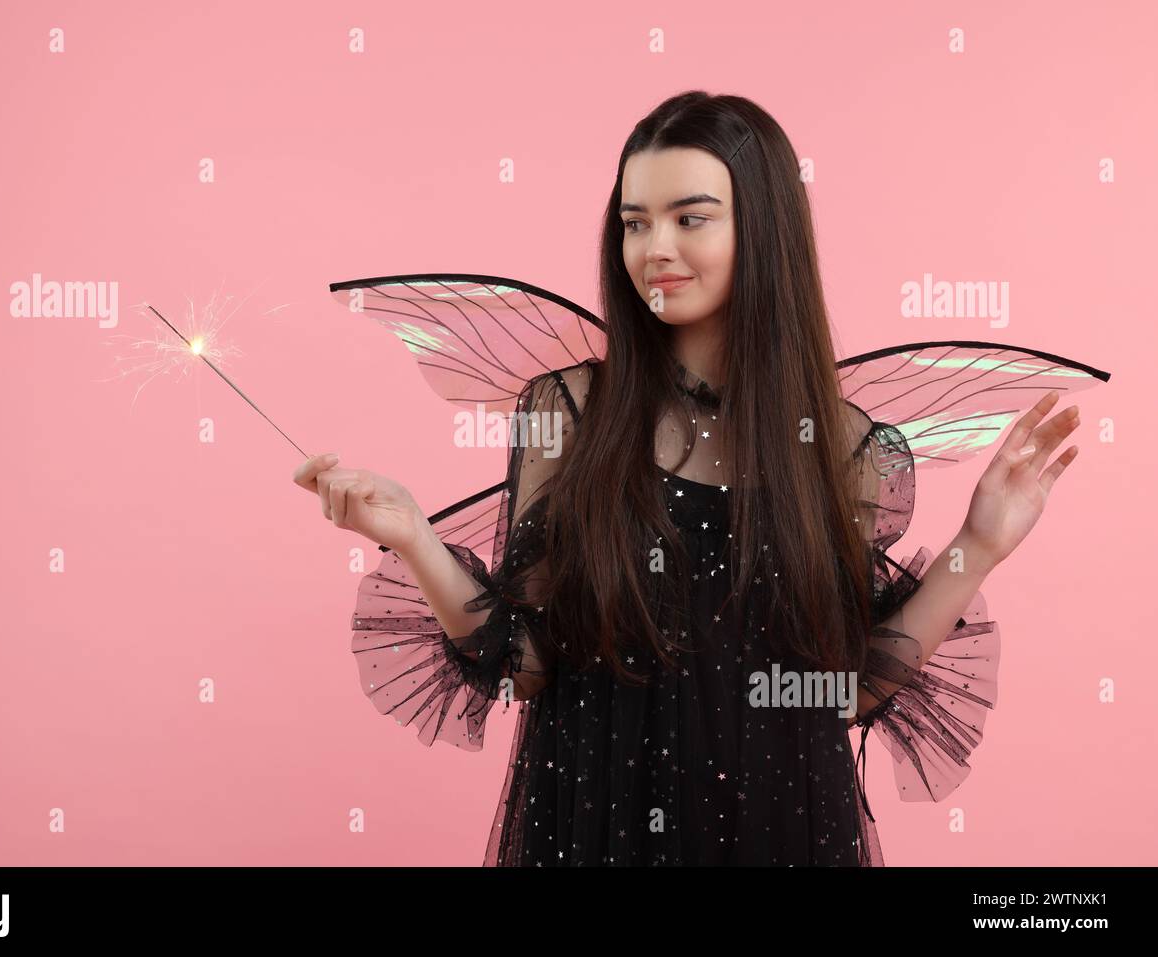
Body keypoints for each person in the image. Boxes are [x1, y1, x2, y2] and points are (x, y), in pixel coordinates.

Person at [295, 92, 1084, 866]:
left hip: (785, 825)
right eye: (634, 223)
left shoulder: (838, 446)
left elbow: (843, 692)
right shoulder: (572, 412)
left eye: (689, 217)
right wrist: (412, 536)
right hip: (598, 822)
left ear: (765, 232)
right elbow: (527, 663)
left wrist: (977, 546)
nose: (653, 249)